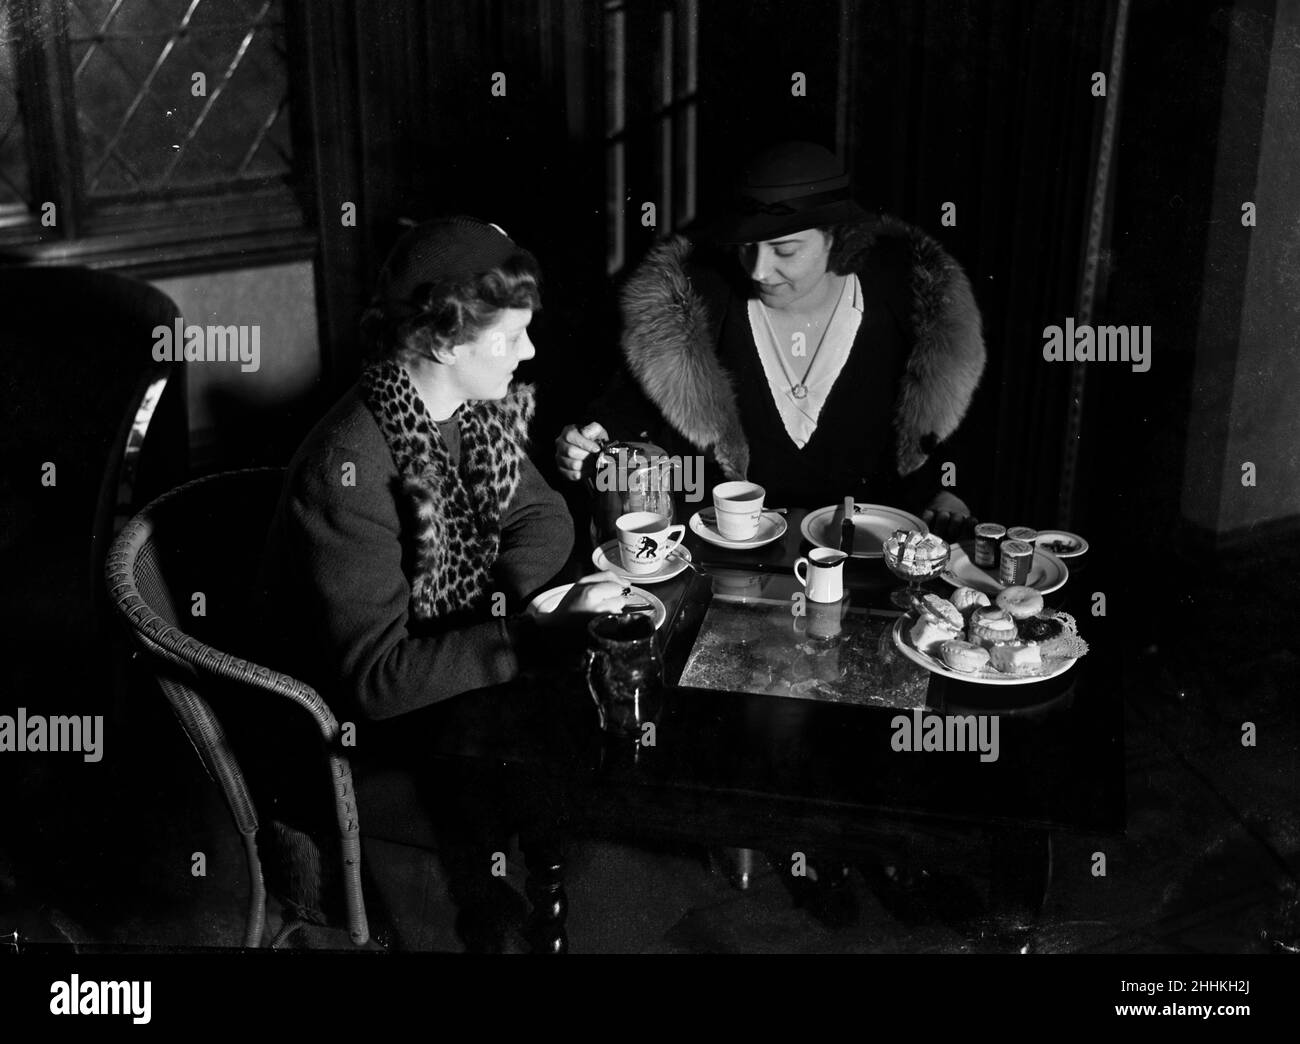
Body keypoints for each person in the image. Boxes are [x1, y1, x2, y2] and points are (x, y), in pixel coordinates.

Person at [255, 216, 629, 722]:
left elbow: (542, 519)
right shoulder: (346, 471)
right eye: (513, 335)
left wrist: (482, 613)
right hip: (359, 741)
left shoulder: (466, 408)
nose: (530, 351)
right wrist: (529, 633)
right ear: (445, 344)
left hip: (448, 688)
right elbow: (374, 682)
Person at [555, 141, 986, 538]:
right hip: (726, 565)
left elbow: (941, 433)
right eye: (747, 247)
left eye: (784, 250)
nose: (758, 270)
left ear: (837, 238)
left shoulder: (907, 314)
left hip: (869, 562)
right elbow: (625, 414)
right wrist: (587, 440)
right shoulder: (695, 307)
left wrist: (944, 492)